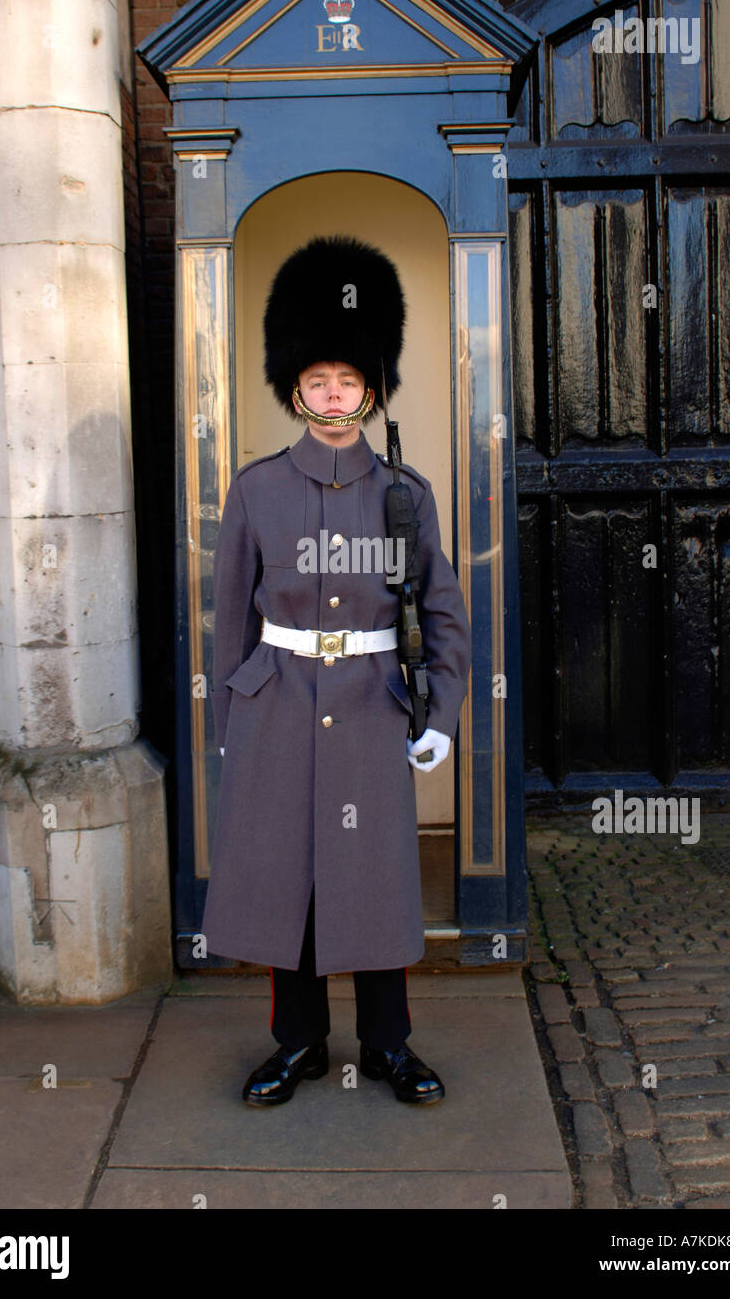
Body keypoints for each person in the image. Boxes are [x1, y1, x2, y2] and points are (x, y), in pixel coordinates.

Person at [201, 233, 472, 1106]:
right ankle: (299, 1044)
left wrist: (440, 717)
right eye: (315, 379)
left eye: (347, 380)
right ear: (295, 389)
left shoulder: (407, 494)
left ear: (369, 388)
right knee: (288, 881)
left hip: (368, 702)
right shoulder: (256, 490)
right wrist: (227, 728)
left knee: (376, 878)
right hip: (276, 704)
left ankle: (389, 1046)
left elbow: (441, 611)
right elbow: (232, 618)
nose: (331, 393)